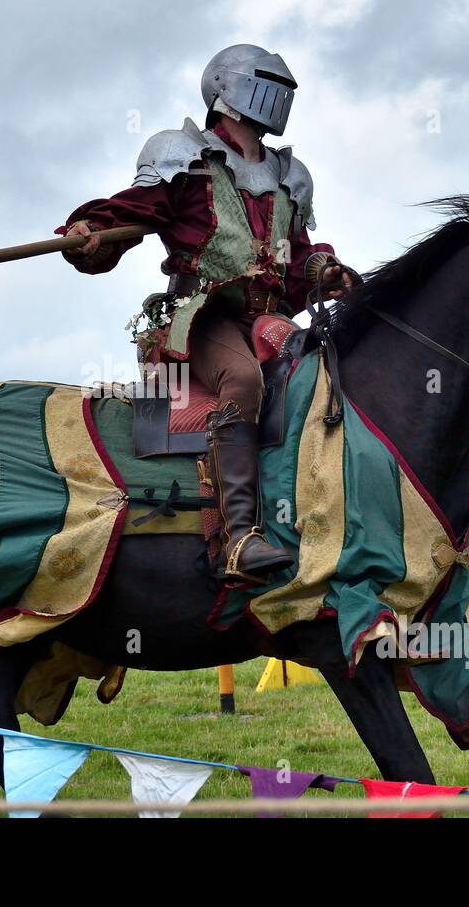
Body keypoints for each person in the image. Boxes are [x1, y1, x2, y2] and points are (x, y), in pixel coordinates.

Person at [59, 44, 351, 582]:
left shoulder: (290, 175)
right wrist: (90, 230)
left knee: (323, 368)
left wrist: (324, 271)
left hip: (266, 318)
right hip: (203, 316)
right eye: (264, 82)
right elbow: (135, 210)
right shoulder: (183, 155)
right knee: (241, 378)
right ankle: (240, 537)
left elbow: (297, 253)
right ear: (226, 89)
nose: (276, 96)